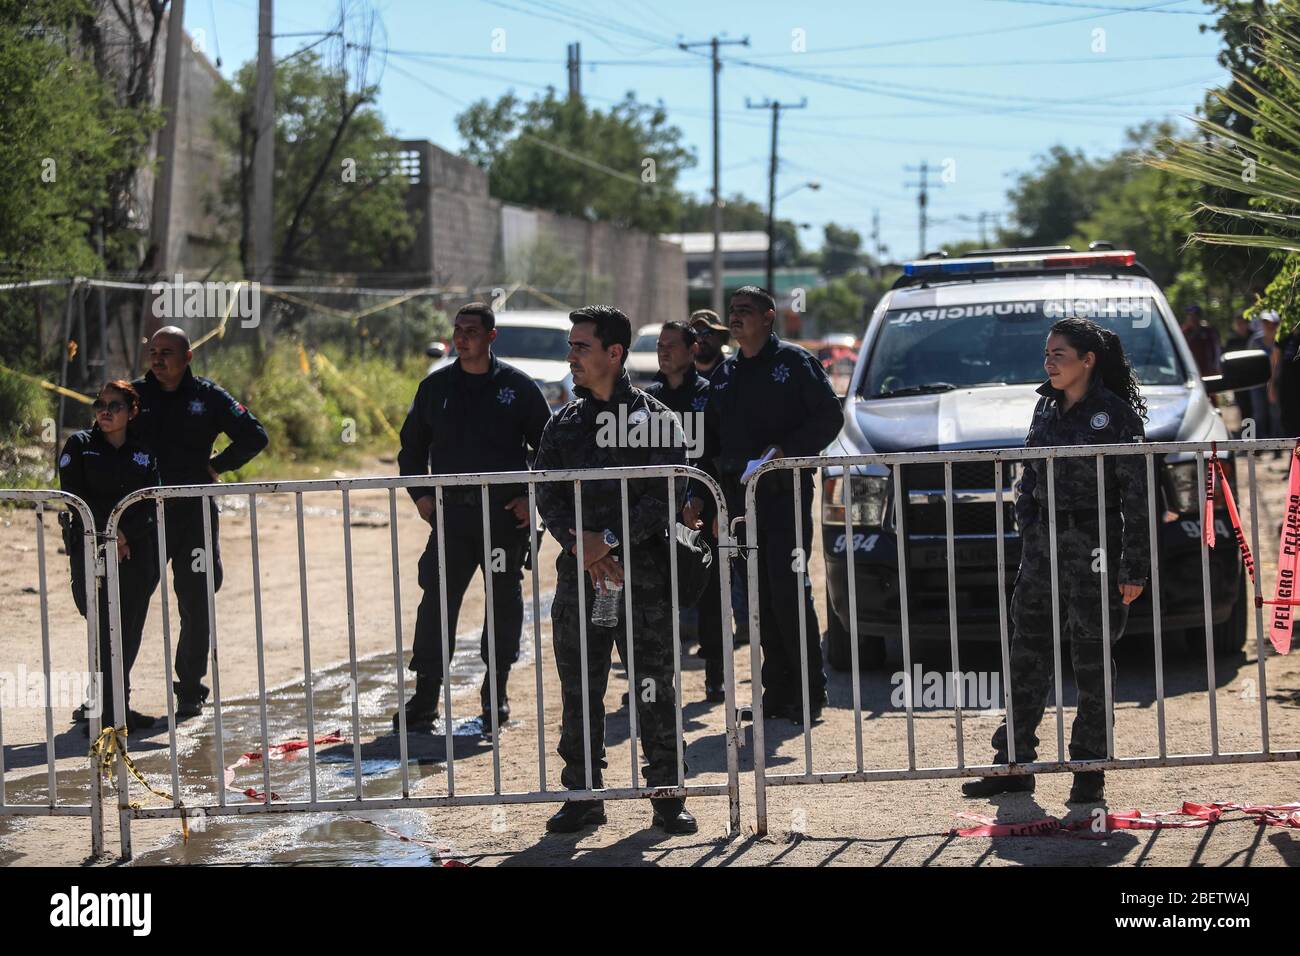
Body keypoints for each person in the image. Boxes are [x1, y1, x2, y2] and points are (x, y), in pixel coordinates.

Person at [962, 317, 1149, 804]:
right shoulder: (1045, 405)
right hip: (1043, 547)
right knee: (1026, 655)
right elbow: (1028, 473)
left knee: (1091, 659)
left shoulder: (1115, 414)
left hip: (1095, 546)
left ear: (1088, 361)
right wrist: (1029, 525)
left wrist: (1134, 566)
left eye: (1059, 354)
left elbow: (1138, 494)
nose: (1049, 361)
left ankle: (1089, 768)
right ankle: (1014, 763)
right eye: (1047, 353)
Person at [534, 304, 696, 835]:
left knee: (654, 685)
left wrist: (606, 540)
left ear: (615, 352)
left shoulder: (655, 421)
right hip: (580, 577)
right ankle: (583, 794)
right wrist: (578, 544)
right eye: (571, 345)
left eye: (582, 346)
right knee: (581, 687)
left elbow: (667, 491)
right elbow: (548, 492)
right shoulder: (562, 425)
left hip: (641, 578)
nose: (571, 355)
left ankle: (667, 795)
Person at [394, 302, 552, 732]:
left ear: (490, 336)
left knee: (503, 603)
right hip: (451, 519)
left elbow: (549, 450)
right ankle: (425, 697)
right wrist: (422, 496)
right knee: (437, 604)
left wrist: (529, 496)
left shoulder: (518, 388)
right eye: (458, 330)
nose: (462, 338)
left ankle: (495, 691)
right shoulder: (436, 387)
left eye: (471, 331)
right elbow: (411, 448)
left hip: (503, 519)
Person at [706, 286, 843, 723]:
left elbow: (829, 417)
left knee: (788, 593)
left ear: (769, 317)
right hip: (740, 504)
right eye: (733, 311)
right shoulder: (726, 374)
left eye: (746, 311)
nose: (736, 318)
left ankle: (808, 692)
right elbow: (711, 442)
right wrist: (709, 502)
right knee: (759, 601)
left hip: (784, 498)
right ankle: (776, 692)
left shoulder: (795, 363)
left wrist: (788, 451)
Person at [132, 327, 268, 719]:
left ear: (187, 357)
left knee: (196, 601)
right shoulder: (135, 396)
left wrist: (216, 466)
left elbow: (254, 436)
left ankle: (190, 689)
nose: (158, 359)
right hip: (144, 515)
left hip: (194, 514)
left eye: (167, 352)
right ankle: (110, 694)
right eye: (153, 351)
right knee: (128, 602)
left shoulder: (207, 396)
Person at [59, 381, 161, 733]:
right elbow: (75, 496)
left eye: (114, 405)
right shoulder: (80, 446)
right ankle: (101, 709)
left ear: (131, 411)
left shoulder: (144, 449)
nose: (104, 411)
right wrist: (111, 533)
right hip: (91, 546)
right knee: (102, 626)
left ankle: (120, 707)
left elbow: (151, 499)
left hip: (136, 549)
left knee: (129, 627)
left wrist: (126, 534)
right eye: (99, 404)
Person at [646, 320, 724, 703]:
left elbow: (718, 456)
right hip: (657, 515)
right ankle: (655, 682)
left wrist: (703, 501)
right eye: (660, 345)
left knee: (712, 594)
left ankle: (716, 676)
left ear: (693, 350)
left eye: (671, 345)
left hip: (702, 511)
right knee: (656, 597)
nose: (664, 351)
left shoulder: (711, 397)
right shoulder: (647, 400)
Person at [1180, 304, 1222, 378]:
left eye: (1194, 316)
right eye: (1189, 316)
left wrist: (1216, 367)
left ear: (1199, 317)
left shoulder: (1208, 332)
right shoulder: (1183, 332)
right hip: (1189, 371)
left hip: (1207, 372)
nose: (1191, 318)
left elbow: (1216, 350)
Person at [689, 309, 729, 382]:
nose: (700, 339)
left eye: (707, 333)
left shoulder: (735, 369)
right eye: (696, 333)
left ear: (720, 337)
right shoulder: (680, 374)